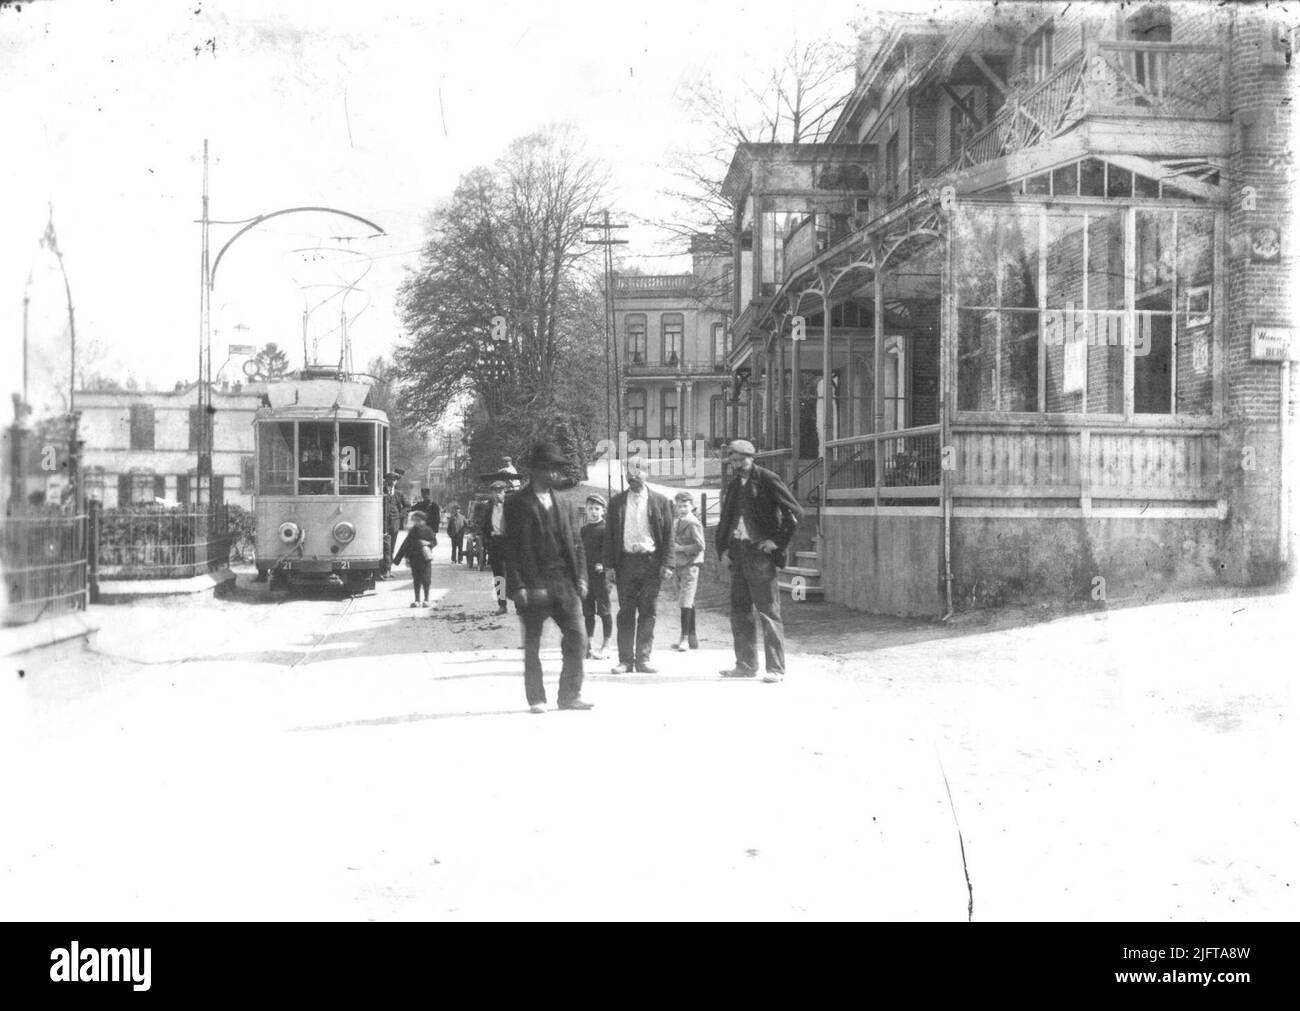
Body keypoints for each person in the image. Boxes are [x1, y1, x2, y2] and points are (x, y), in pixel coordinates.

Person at [502, 442, 592, 714]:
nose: (552, 474)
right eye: (546, 468)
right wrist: (517, 585)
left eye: (556, 469)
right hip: (533, 585)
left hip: (565, 583)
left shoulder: (564, 503)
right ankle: (536, 698)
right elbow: (510, 548)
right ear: (534, 470)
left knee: (578, 638)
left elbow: (577, 544)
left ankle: (569, 695)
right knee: (532, 645)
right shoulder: (516, 503)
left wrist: (583, 578)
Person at [715, 439, 804, 683]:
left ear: (752, 458)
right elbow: (726, 520)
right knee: (740, 611)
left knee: (768, 612)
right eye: (732, 460)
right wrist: (722, 548)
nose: (736, 464)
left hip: (760, 556)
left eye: (741, 459)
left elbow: (795, 513)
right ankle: (745, 665)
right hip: (738, 555)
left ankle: (775, 668)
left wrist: (775, 542)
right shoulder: (734, 485)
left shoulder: (767, 479)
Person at [604, 456, 673, 674]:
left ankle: (643, 659)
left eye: (637, 470)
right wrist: (609, 566)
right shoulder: (616, 503)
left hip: (651, 563)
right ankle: (625, 660)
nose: (632, 475)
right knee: (626, 612)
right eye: (629, 471)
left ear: (646, 473)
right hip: (625, 563)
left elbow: (669, 535)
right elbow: (609, 536)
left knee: (648, 610)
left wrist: (667, 563)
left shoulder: (661, 501)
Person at [670, 491, 705, 651]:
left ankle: (684, 638)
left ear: (691, 506)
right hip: (678, 565)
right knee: (686, 602)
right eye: (679, 506)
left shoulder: (693, 523)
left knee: (685, 602)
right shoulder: (676, 521)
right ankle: (692, 639)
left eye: (685, 506)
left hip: (690, 566)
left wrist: (681, 548)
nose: (682, 509)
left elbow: (700, 546)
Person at [580, 493, 613, 661]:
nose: (593, 512)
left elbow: (610, 551)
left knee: (604, 610)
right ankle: (589, 643)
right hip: (587, 576)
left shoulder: (606, 529)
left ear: (603, 511)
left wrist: (604, 563)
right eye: (590, 508)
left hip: (601, 577)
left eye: (597, 509)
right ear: (586, 510)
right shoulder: (584, 530)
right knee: (588, 612)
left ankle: (607, 644)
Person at [474, 480, 511, 613]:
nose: (497, 495)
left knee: (514, 574)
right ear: (492, 493)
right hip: (495, 544)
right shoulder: (488, 508)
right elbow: (483, 526)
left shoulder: (511, 507)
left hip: (510, 544)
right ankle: (502, 605)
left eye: (500, 492)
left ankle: (519, 605)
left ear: (505, 492)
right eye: (495, 492)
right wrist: (487, 541)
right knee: (499, 576)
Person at [392, 509, 437, 607]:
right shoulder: (413, 531)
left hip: (425, 558)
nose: (416, 522)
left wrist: (427, 543)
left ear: (423, 520)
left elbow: (434, 542)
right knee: (416, 580)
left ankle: (426, 600)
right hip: (414, 558)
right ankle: (417, 600)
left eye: (418, 520)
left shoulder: (428, 530)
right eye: (415, 520)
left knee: (426, 580)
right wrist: (400, 559)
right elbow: (406, 544)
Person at [381, 472, 402, 578]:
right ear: (386, 480)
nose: (392, 482)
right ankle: (384, 569)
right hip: (382, 523)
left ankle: (388, 569)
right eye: (390, 479)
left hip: (394, 524)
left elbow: (407, 506)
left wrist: (400, 515)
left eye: (394, 480)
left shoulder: (398, 494)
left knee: (391, 547)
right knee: (383, 547)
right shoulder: (381, 491)